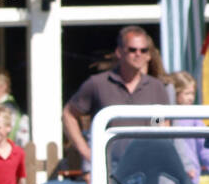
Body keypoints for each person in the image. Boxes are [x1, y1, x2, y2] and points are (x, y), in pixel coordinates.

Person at [62, 26, 169, 171]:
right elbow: (68, 115)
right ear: (119, 52)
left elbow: (160, 123)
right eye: (132, 50)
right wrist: (87, 153)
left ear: (149, 55)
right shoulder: (98, 83)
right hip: (107, 167)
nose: (138, 54)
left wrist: (157, 143)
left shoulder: (156, 87)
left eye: (143, 50)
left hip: (146, 167)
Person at [169, 70, 209, 183]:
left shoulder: (194, 117)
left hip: (192, 174)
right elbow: (154, 123)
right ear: (175, 93)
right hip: (170, 174)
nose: (191, 98)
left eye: (192, 93)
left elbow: (204, 147)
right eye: (187, 93)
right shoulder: (165, 113)